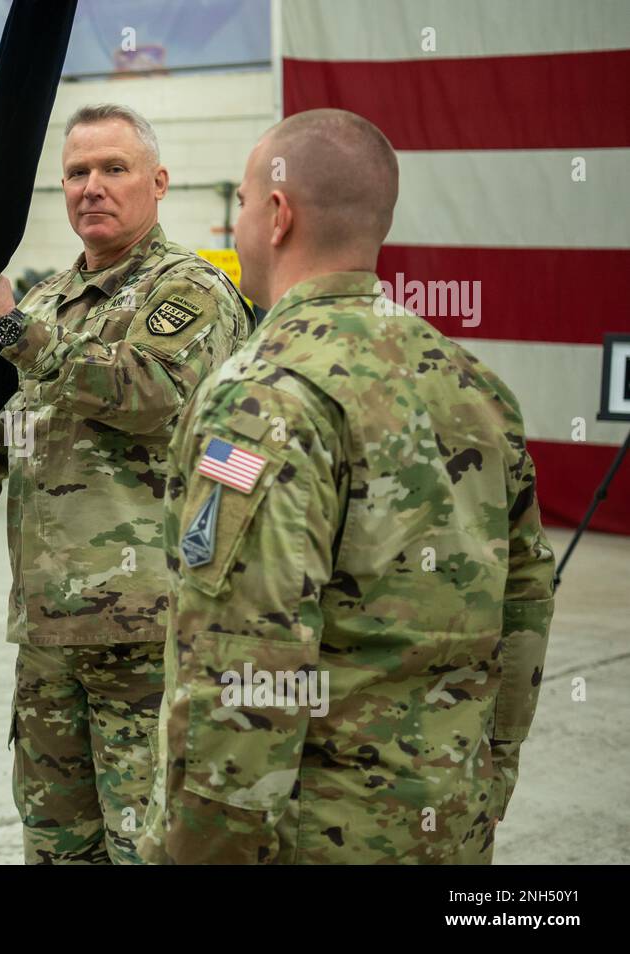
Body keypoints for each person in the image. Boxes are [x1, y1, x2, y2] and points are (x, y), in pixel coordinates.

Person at [140, 108, 555, 864]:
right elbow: (526, 606)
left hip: (313, 840)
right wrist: (485, 784)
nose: (235, 221)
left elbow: (247, 659)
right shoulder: (480, 388)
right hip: (450, 827)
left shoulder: (262, 394)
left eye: (237, 201)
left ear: (277, 212)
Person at [0, 103, 251, 864]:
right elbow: (1, 444)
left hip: (147, 634)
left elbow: (151, 392)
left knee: (150, 847)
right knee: (59, 846)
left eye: (114, 168)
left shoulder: (189, 292)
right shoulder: (40, 301)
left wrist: (9, 332)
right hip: (48, 636)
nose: (91, 187)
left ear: (159, 182)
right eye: (76, 172)